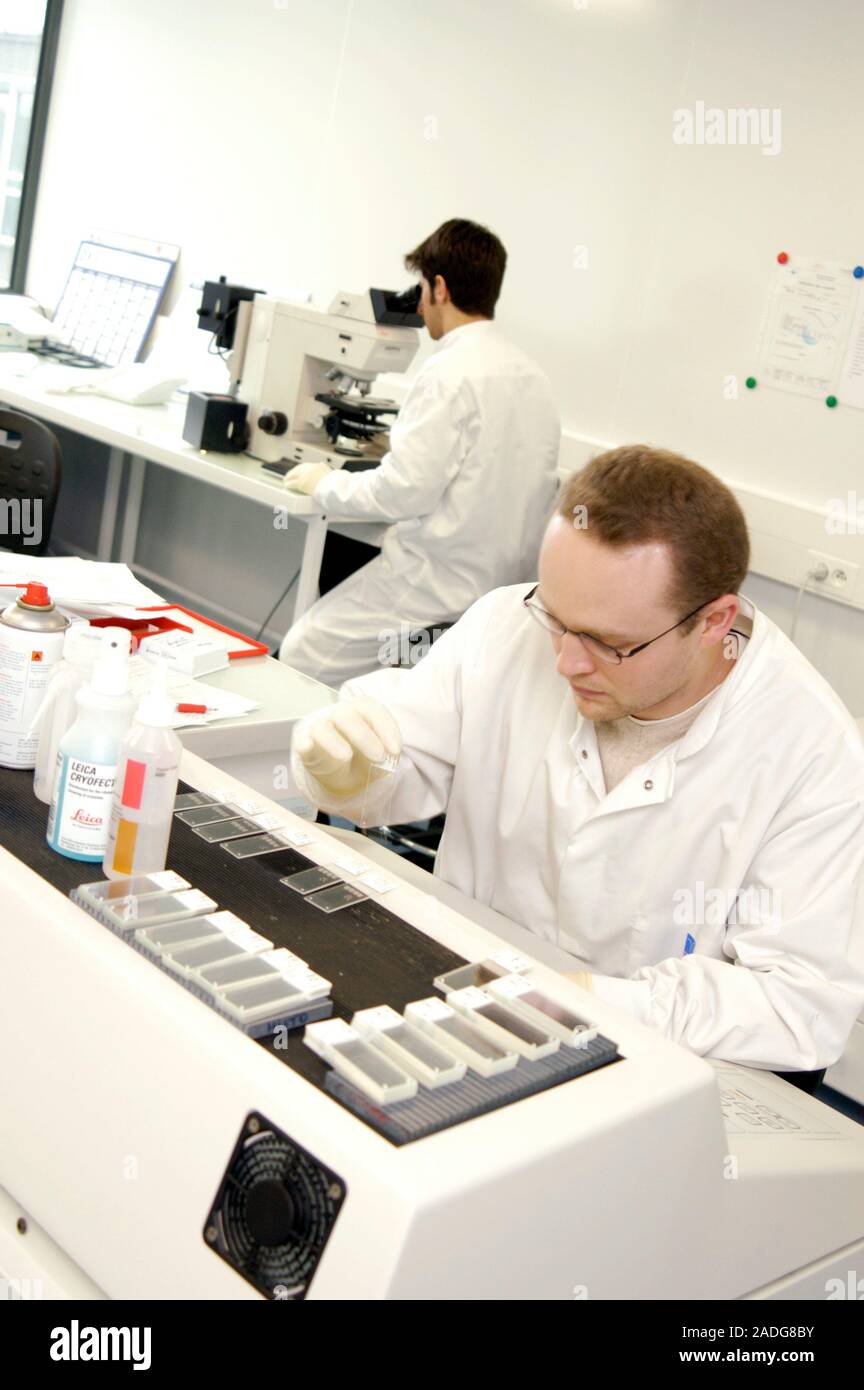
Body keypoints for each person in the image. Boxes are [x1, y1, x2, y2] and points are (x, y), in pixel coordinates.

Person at [290, 445, 864, 1074]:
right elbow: (399, 763)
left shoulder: (814, 754)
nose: (566, 662)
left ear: (713, 622)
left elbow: (794, 1004)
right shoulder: (507, 625)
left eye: (610, 643)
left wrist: (590, 1000)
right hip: (464, 1007)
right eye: (558, 620)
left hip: (652, 1063)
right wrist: (349, 770)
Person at [278, 218, 561, 684]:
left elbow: (401, 493)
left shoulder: (449, 371)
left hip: (432, 592)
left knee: (303, 652)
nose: (421, 303)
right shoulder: (533, 376)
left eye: (423, 288)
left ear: (440, 288)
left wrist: (325, 483)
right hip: (499, 599)